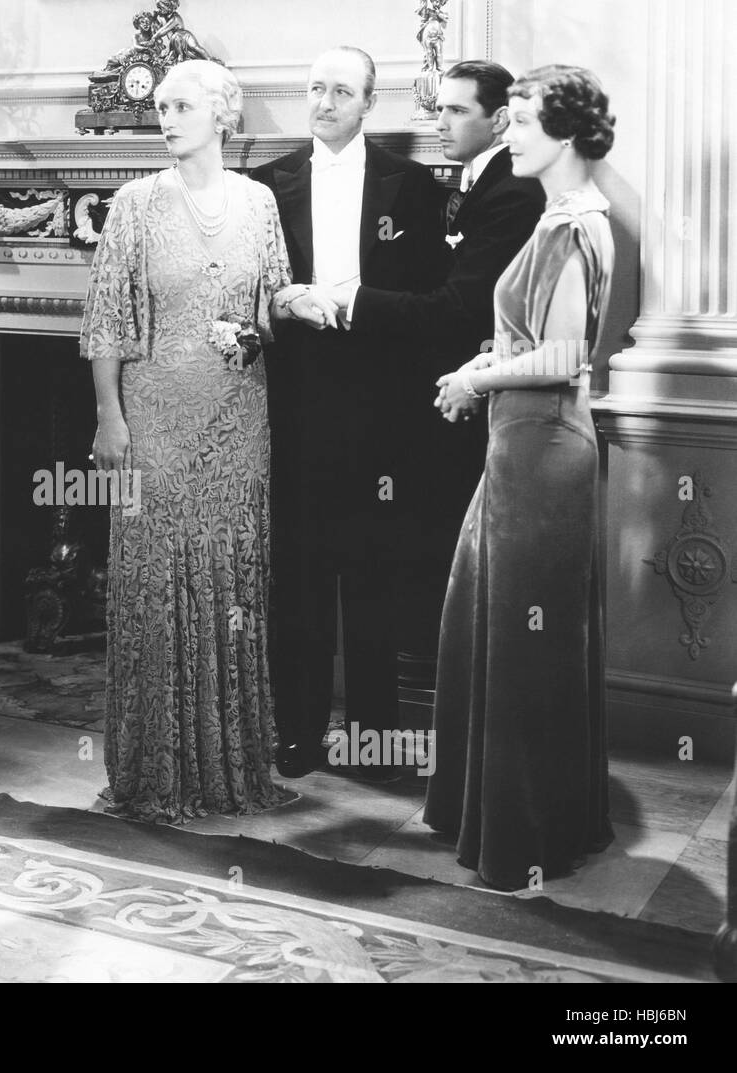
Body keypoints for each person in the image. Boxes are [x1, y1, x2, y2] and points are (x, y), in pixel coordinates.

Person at [82, 59, 306, 823]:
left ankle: (228, 766)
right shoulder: (134, 205)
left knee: (231, 577)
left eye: (182, 106)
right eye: (162, 107)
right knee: (156, 577)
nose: (166, 119)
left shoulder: (260, 202)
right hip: (153, 415)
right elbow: (107, 320)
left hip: (238, 412)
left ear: (222, 113)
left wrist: (277, 313)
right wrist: (110, 417)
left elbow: (268, 308)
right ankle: (156, 770)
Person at [423, 65, 617, 891]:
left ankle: (527, 838)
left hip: (543, 452)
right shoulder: (560, 219)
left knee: (525, 649)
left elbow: (568, 355)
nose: (512, 133)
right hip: (525, 444)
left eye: (527, 121)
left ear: (566, 135)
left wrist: (475, 381)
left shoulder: (575, 226)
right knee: (496, 633)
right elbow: (536, 340)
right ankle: (518, 821)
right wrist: (485, 362)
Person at [251, 47, 445, 780]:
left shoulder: (414, 186)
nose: (325, 102)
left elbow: (433, 305)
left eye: (341, 91)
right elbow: (253, 291)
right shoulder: (268, 185)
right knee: (297, 576)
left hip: (381, 404)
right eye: (315, 88)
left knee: (374, 574)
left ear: (369, 103)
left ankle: (376, 740)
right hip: (296, 395)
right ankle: (298, 732)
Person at [324, 60, 546, 686]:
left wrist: (352, 300)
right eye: (438, 107)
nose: (438, 121)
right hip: (456, 393)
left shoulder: (512, 192)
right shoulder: (475, 182)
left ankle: (465, 709)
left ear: (499, 119)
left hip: (486, 403)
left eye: (456, 111)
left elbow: (458, 308)